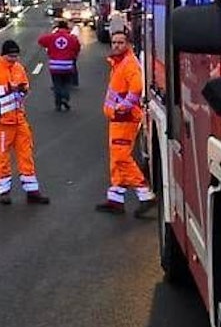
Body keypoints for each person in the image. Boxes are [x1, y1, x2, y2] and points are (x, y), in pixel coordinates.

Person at [0, 40, 51, 205]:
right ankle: (4, 192)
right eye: (11, 56)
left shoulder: (18, 68)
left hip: (19, 120)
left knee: (26, 154)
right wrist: (6, 88)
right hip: (1, 122)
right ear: (3, 55)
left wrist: (23, 89)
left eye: (16, 56)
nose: (14, 59)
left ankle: (32, 191)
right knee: (2, 156)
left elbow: (25, 86)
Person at [95, 30, 157, 217]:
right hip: (117, 119)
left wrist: (123, 107)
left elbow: (137, 87)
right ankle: (116, 199)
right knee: (116, 158)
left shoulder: (129, 63)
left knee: (121, 157)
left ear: (128, 44)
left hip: (125, 119)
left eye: (120, 42)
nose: (116, 45)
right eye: (114, 42)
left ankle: (145, 194)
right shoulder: (119, 62)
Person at [37, 20, 81, 112]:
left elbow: (40, 40)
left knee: (57, 84)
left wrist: (50, 47)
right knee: (66, 83)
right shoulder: (72, 38)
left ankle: (58, 104)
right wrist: (73, 55)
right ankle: (65, 97)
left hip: (55, 65)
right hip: (68, 65)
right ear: (67, 28)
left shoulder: (52, 37)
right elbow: (77, 48)